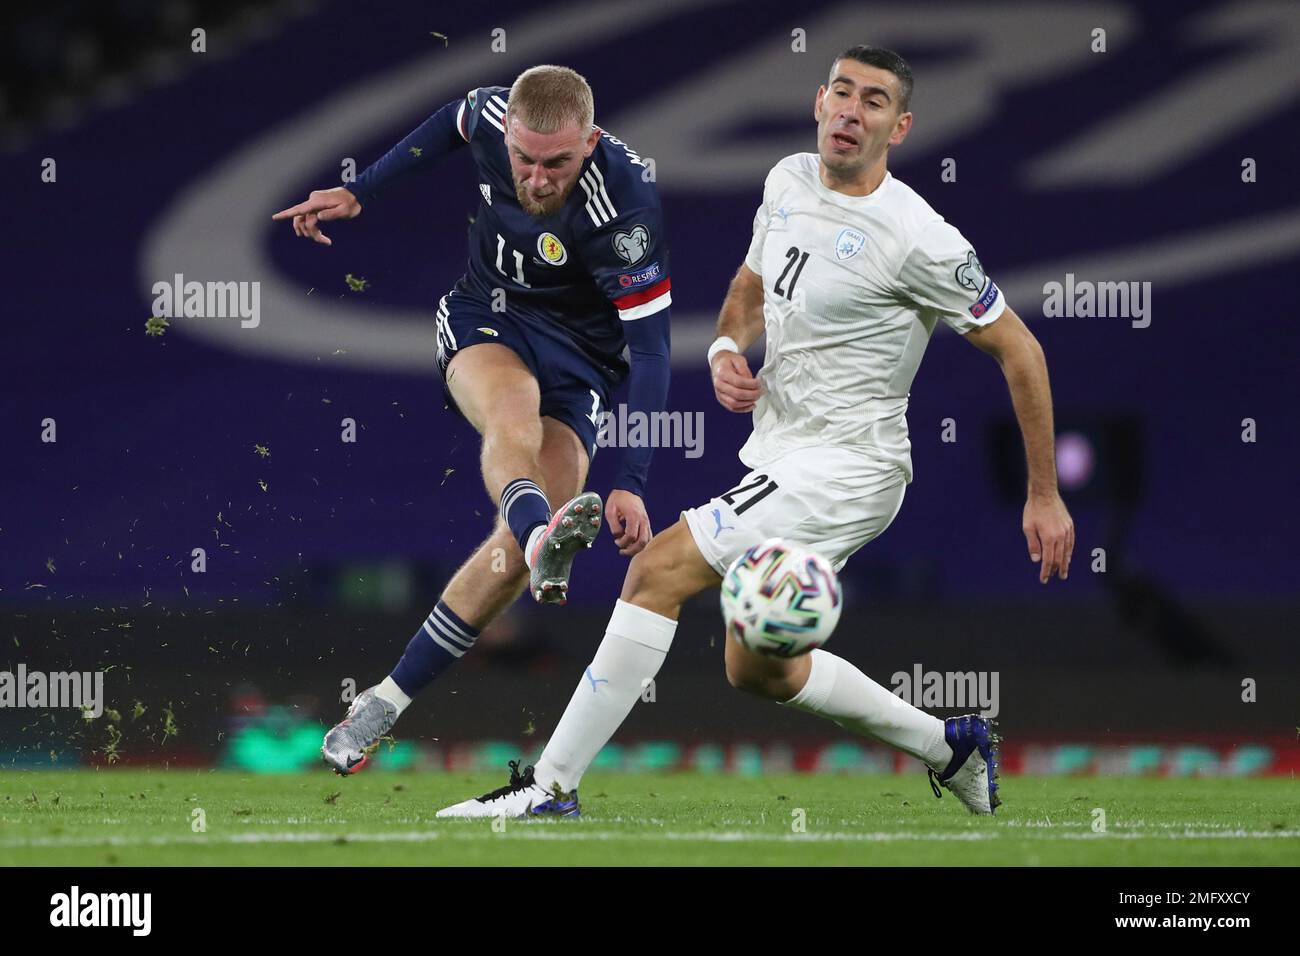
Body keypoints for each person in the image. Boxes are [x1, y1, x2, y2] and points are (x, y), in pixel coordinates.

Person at [436, 46, 1073, 818]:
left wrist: (1044, 493)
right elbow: (750, 289)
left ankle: (550, 787)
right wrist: (725, 349)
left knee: (656, 570)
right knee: (760, 668)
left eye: (874, 101)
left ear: (899, 128)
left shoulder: (918, 237)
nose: (851, 110)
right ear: (818, 103)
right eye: (842, 92)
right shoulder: (788, 181)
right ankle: (952, 747)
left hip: (850, 468)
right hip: (782, 455)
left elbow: (1021, 349)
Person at [271, 65, 673, 775]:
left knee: (511, 558)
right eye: (524, 159)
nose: (537, 179)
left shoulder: (627, 210)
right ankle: (541, 533)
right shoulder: (490, 115)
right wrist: (361, 191)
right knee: (512, 412)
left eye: (557, 164)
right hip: (489, 316)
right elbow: (448, 123)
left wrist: (633, 481)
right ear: (508, 132)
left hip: (585, 362)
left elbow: (651, 351)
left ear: (590, 141)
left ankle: (384, 702)